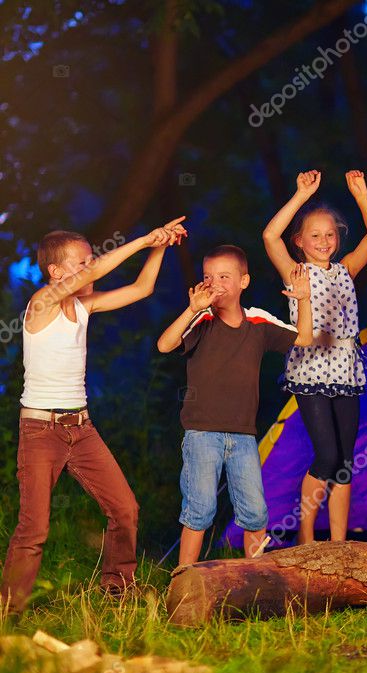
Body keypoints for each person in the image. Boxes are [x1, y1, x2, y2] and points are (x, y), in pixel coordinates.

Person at [1, 218, 187, 611]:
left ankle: (118, 587)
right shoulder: (42, 303)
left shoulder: (84, 307)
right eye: (82, 263)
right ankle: (8, 609)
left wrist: (160, 246)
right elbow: (102, 270)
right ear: (56, 273)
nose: (91, 267)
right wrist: (142, 239)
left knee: (125, 509)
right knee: (34, 529)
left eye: (91, 261)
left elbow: (142, 288)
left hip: (82, 429)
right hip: (40, 431)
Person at [157, 246, 313, 566]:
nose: (215, 283)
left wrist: (304, 298)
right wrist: (191, 309)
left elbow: (305, 339)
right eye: (208, 277)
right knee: (199, 510)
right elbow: (165, 344)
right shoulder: (201, 319)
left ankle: (255, 582)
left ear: (243, 281)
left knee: (255, 513)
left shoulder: (257, 321)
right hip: (202, 434)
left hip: (242, 437)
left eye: (224, 277)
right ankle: (184, 581)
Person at [262, 169, 367, 543]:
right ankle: (306, 540)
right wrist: (300, 195)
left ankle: (337, 544)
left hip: (346, 373)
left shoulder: (345, 269)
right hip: (311, 371)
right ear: (299, 240)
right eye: (314, 235)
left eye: (330, 234)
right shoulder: (294, 270)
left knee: (345, 463)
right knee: (327, 456)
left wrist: (362, 196)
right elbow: (269, 236)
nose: (324, 240)